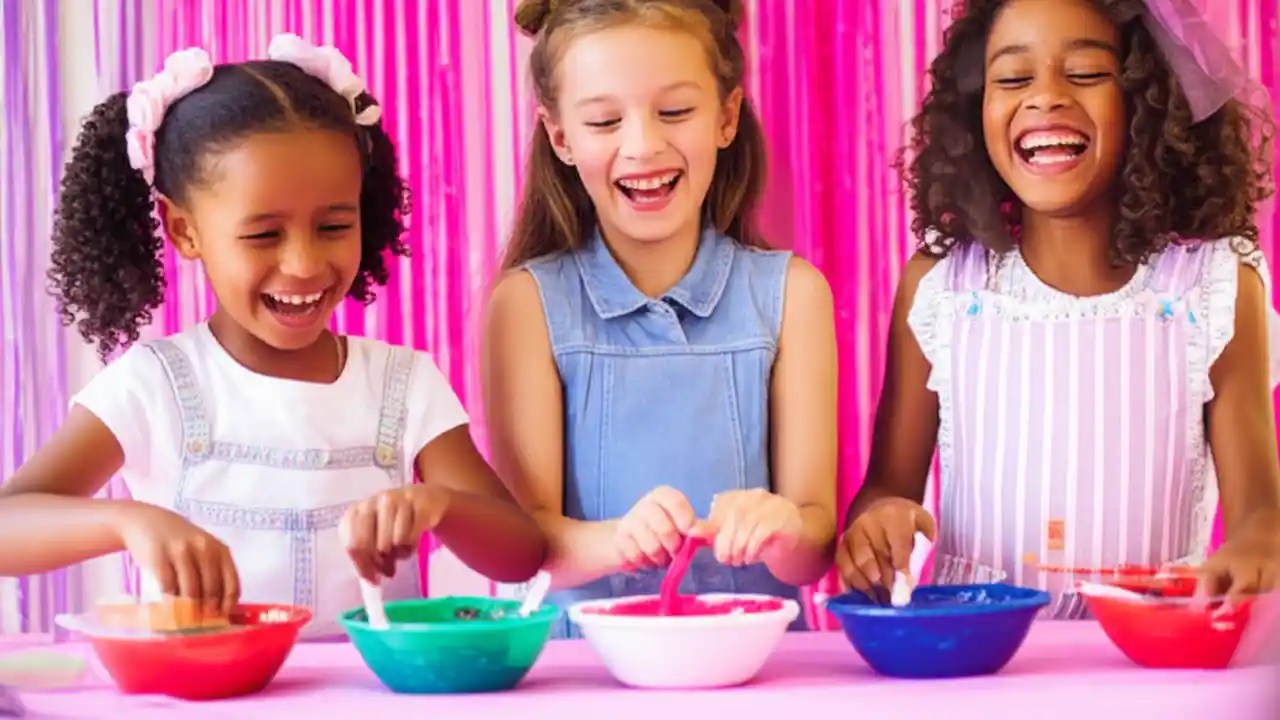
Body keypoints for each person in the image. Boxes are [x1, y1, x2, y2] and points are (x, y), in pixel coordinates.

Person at [0, 35, 545, 638]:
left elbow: (521, 554)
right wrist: (129, 522)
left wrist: (440, 506)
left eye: (335, 225)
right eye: (263, 236)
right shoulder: (154, 385)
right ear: (184, 230)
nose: (306, 263)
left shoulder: (403, 384)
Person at [837, 0, 1279, 616]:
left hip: (1144, 661)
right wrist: (878, 523)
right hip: (978, 668)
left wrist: (1258, 546)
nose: (1045, 97)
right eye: (1014, 79)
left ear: (1150, 102)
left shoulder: (1211, 289)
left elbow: (1263, 515)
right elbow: (885, 488)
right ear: (974, 112)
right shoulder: (943, 289)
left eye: (1086, 74)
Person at [483, 0, 838, 638]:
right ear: (560, 136)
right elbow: (525, 541)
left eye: (675, 111)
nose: (643, 145)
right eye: (604, 120)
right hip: (581, 674)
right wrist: (621, 539)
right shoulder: (528, 304)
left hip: (756, 669)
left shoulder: (794, 295)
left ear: (727, 115)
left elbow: (812, 546)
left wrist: (782, 529)